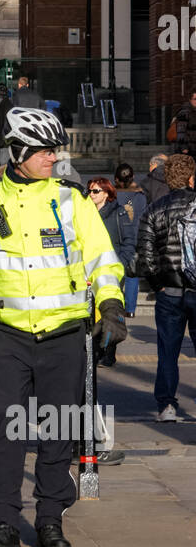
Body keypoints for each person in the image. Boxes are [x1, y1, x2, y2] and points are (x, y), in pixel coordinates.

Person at [0, 107, 126, 547]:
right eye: (44, 150)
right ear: (17, 151)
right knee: (4, 435)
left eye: (55, 149)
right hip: (5, 336)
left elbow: (102, 258)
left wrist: (111, 304)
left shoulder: (72, 201)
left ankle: (50, 520)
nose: (53, 158)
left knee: (58, 432)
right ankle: (3, 525)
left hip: (64, 335)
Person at [135, 153, 196, 422]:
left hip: (168, 290)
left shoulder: (154, 210)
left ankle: (167, 405)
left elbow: (145, 256)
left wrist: (157, 284)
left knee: (168, 351)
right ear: (192, 178)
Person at [86, 177, 137, 365]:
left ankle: (109, 351)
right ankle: (96, 348)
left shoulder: (118, 213)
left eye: (96, 191)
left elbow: (129, 242)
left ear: (106, 193)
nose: (91, 194)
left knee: (112, 309)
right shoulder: (85, 213)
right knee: (92, 311)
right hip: (91, 272)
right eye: (90, 190)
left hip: (112, 271)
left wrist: (120, 265)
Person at [112, 163, 147, 317]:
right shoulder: (140, 196)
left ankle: (117, 305)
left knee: (116, 273)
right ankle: (130, 309)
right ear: (132, 177)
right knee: (132, 274)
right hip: (134, 237)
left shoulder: (112, 195)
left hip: (117, 237)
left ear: (115, 179)